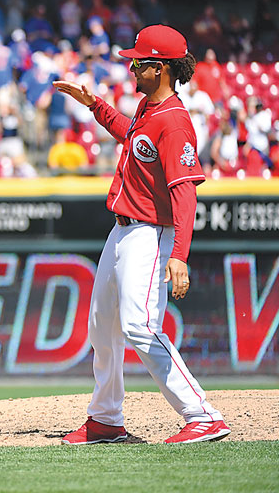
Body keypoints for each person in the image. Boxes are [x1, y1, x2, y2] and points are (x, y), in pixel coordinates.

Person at [54, 24, 230, 445]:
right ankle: (105, 419)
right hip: (122, 232)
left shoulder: (174, 121)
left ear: (161, 68)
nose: (132, 67)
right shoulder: (148, 108)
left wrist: (180, 255)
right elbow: (131, 139)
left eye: (139, 62)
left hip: (151, 233)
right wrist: (94, 105)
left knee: (140, 325)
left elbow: (184, 192)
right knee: (102, 327)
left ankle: (202, 415)